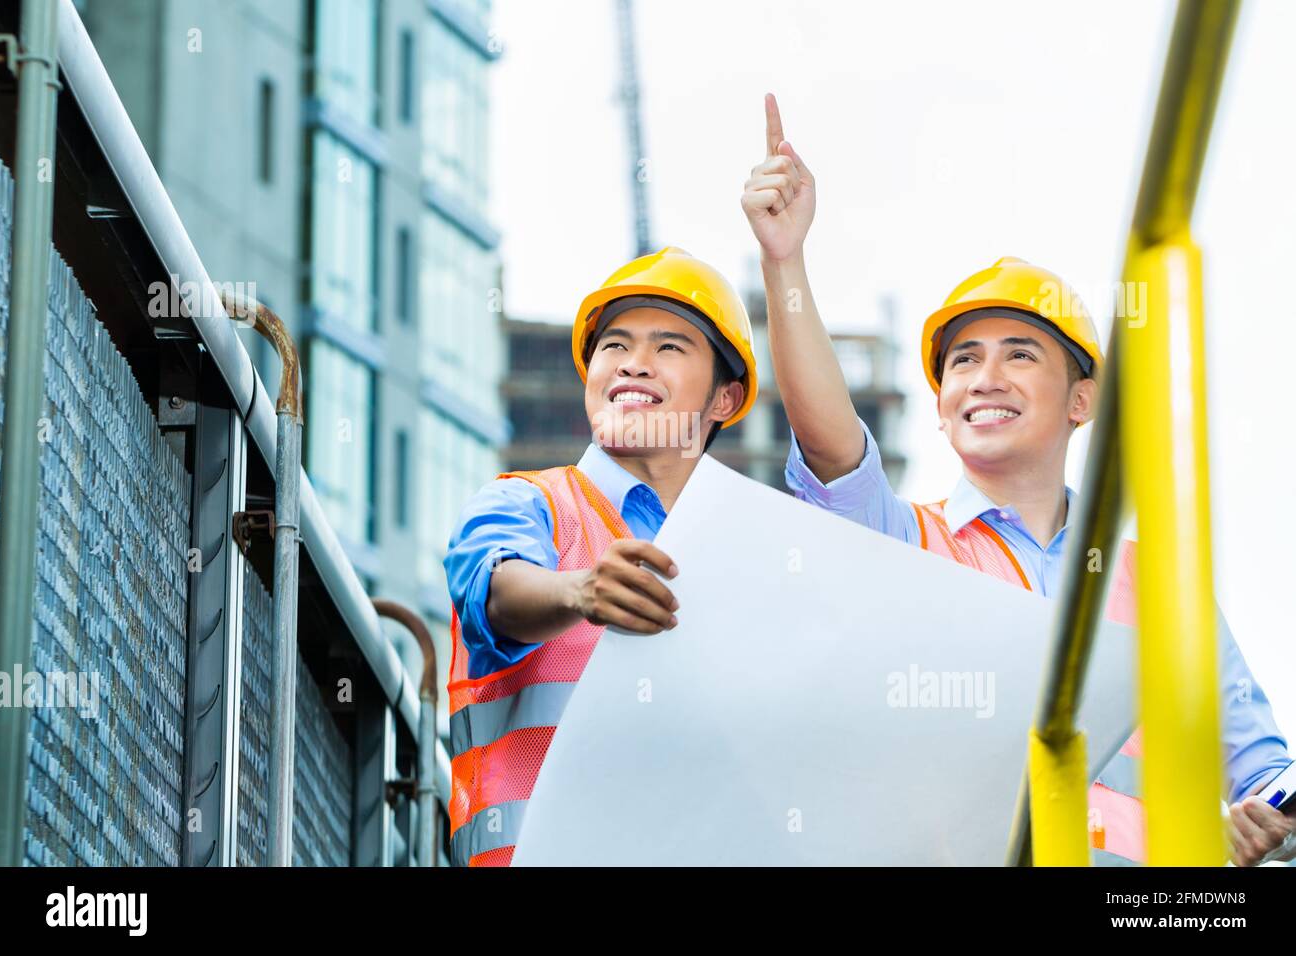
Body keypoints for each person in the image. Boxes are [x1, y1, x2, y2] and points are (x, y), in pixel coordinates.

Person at [741, 93, 1295, 866]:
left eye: (1020, 354)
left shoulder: (1162, 587)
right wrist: (784, 261)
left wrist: (1262, 824)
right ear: (939, 407)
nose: (984, 377)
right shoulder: (904, 544)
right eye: (963, 360)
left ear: (1081, 399)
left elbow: (1268, 772)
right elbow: (832, 444)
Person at [442, 247, 756, 866]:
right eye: (614, 346)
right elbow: (496, 595)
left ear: (725, 398)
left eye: (669, 347)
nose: (633, 365)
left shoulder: (741, 557)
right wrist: (580, 592)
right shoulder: (526, 504)